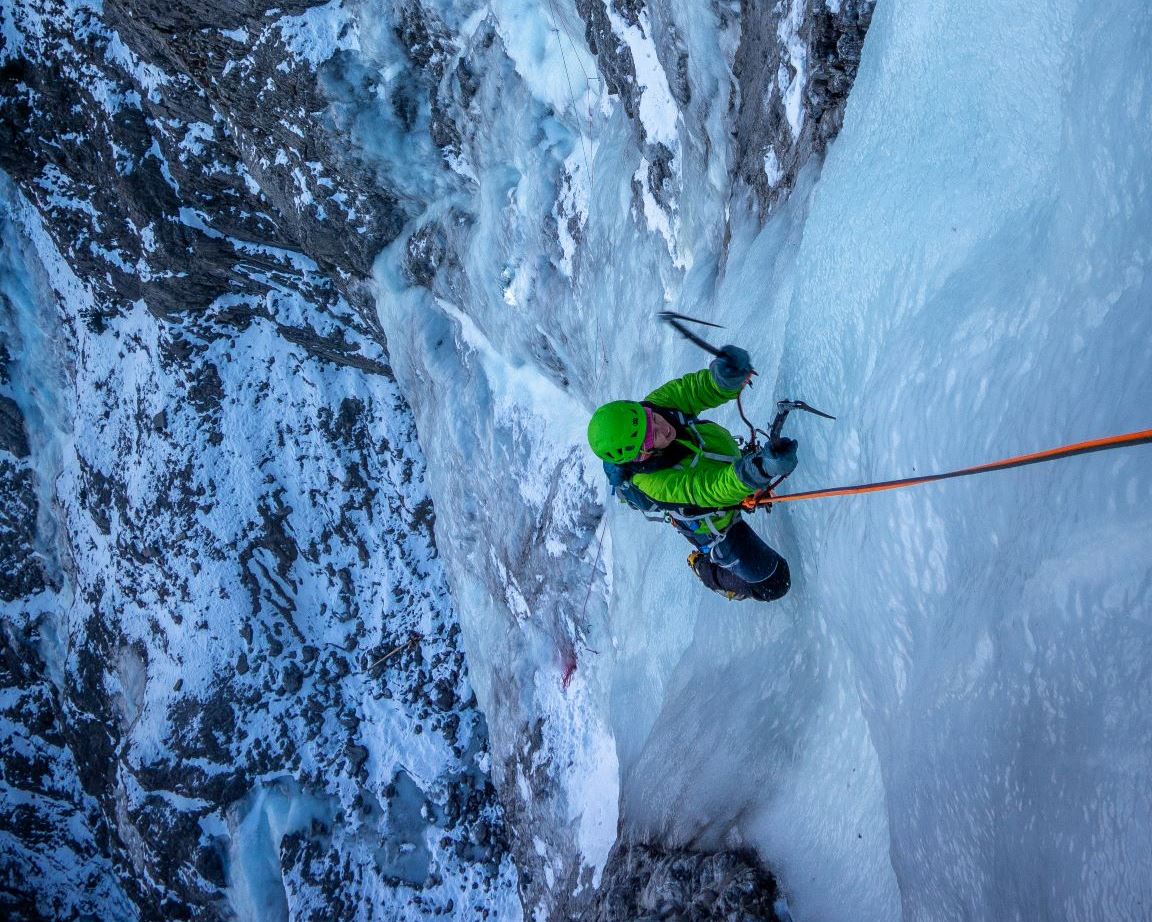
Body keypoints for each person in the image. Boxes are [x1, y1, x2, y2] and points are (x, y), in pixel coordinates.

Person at [586, 345, 797, 602]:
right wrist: (758, 470)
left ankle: (747, 477)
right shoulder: (653, 483)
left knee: (742, 478)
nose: (662, 428)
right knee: (775, 582)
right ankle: (706, 569)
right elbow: (706, 489)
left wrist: (723, 379)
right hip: (716, 523)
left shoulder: (656, 406)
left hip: (727, 465)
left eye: (650, 418)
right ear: (639, 456)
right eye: (651, 438)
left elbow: (695, 390)